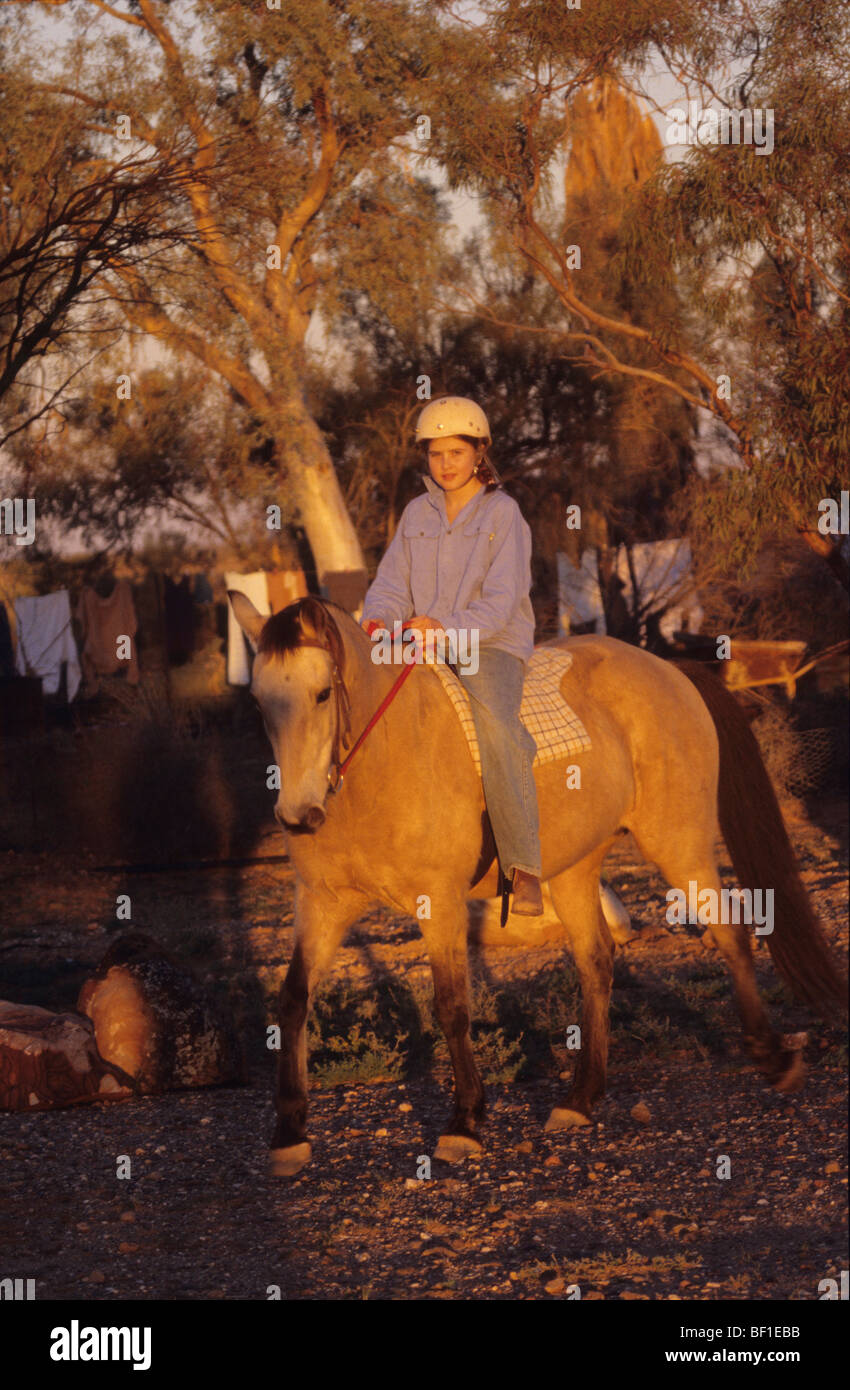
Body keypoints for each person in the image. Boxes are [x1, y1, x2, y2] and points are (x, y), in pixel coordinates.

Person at [360, 394, 543, 914]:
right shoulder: (417, 512)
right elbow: (391, 584)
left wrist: (443, 629)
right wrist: (378, 621)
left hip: (486, 642)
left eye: (456, 453)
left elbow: (503, 600)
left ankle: (522, 864)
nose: (445, 464)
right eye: (436, 454)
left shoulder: (503, 513)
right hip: (420, 639)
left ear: (479, 451)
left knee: (497, 726)